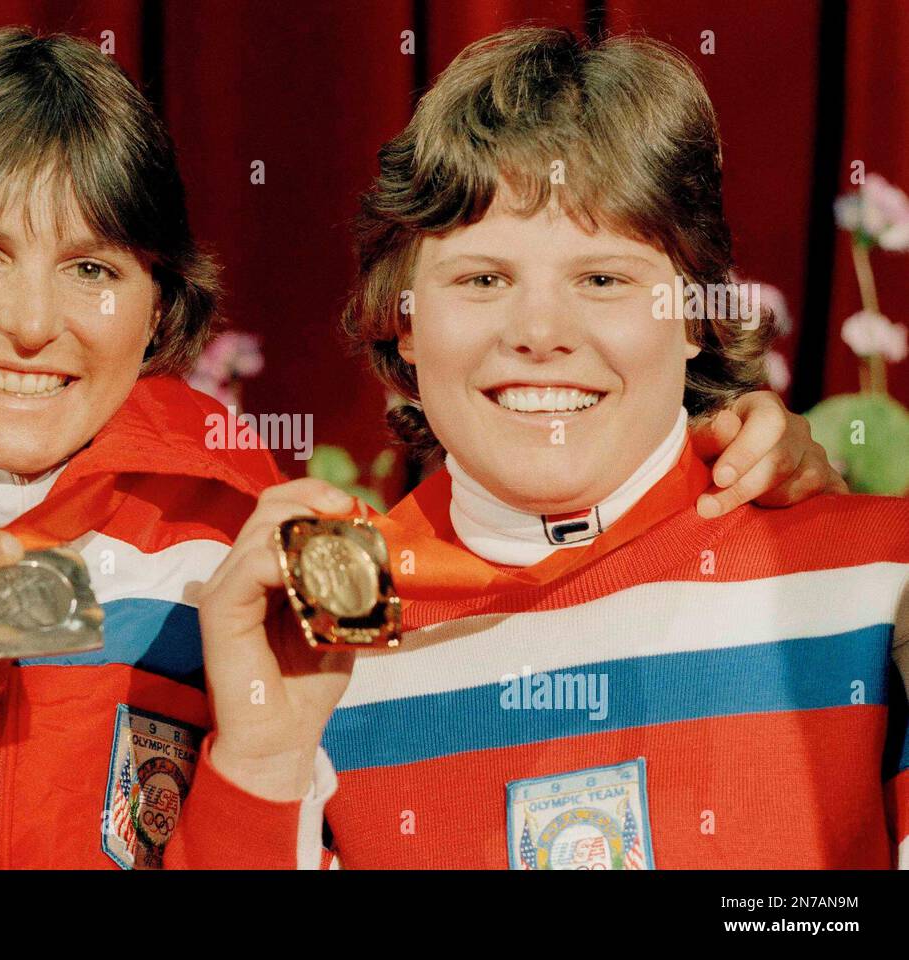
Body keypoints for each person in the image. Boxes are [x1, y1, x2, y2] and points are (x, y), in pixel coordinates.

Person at [0, 27, 834, 870]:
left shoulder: (234, 541)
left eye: (92, 267)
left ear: (163, 312)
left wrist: (724, 480)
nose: (30, 321)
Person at [171, 27, 908, 869]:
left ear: (699, 314)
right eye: (483, 279)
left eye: (602, 279)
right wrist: (264, 767)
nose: (540, 333)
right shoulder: (312, 649)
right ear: (404, 321)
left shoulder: (881, 585)